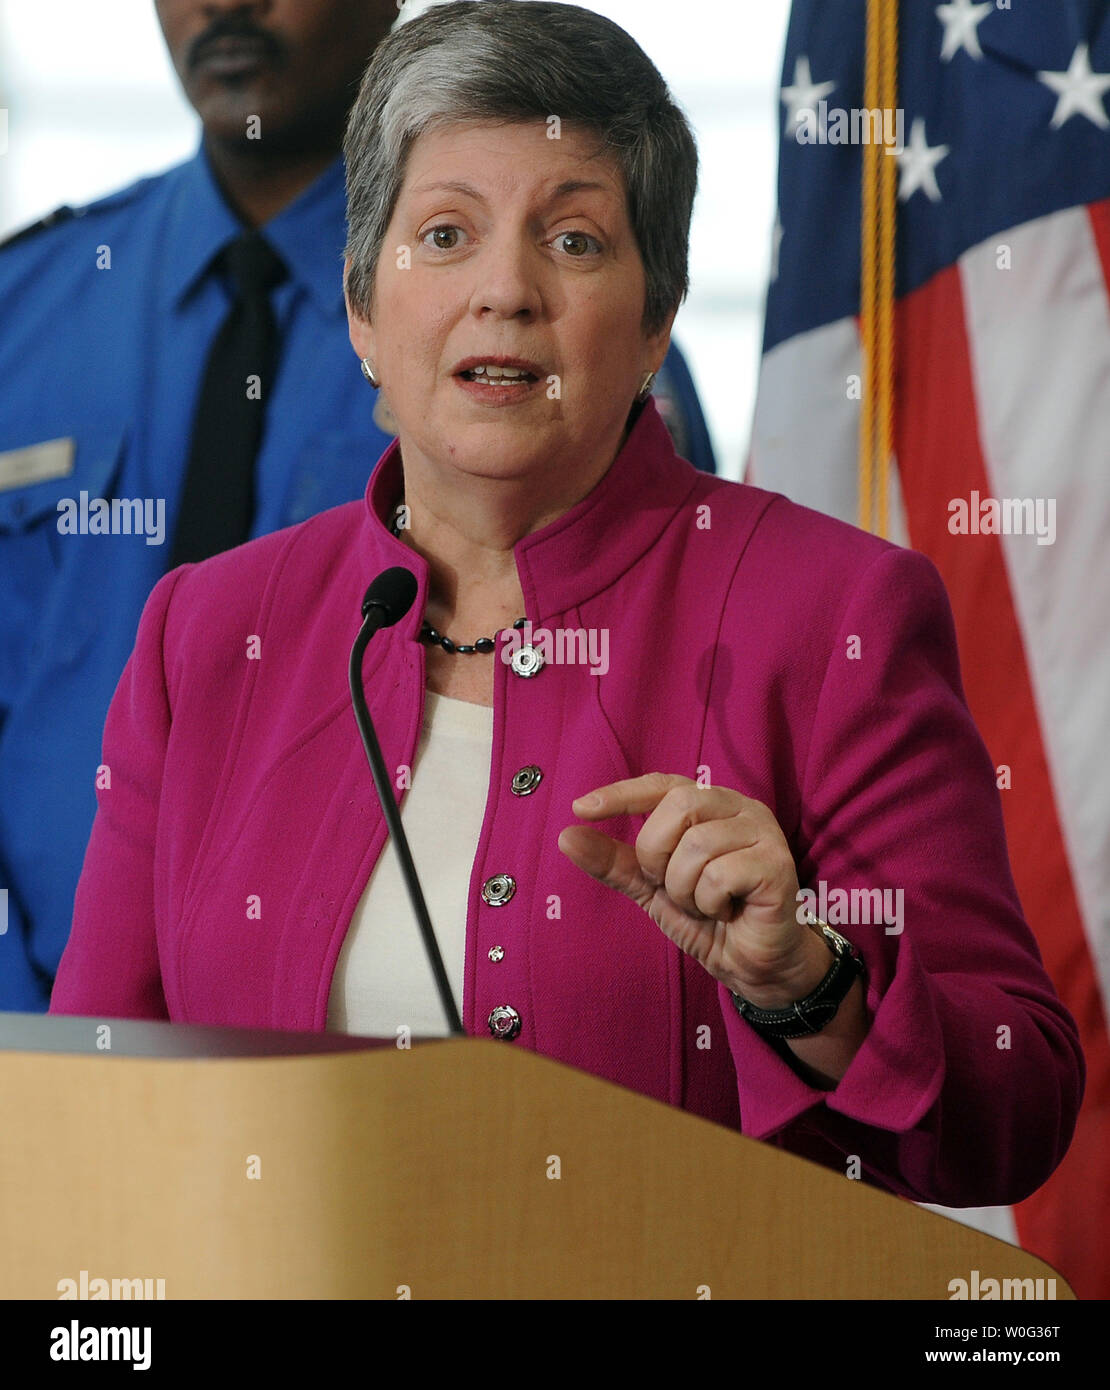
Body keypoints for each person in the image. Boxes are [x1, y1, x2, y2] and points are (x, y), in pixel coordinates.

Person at [50, 0, 1082, 1208]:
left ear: (656, 323)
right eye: (444, 234)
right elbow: (98, 1099)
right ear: (362, 309)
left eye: (577, 241)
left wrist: (808, 979)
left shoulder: (836, 612)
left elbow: (1016, 1112)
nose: (507, 291)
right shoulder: (208, 633)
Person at [0, 0, 721, 1013]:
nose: (225, 5)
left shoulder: (551, 340)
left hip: (433, 1022)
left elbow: (667, 679)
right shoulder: (22, 311)